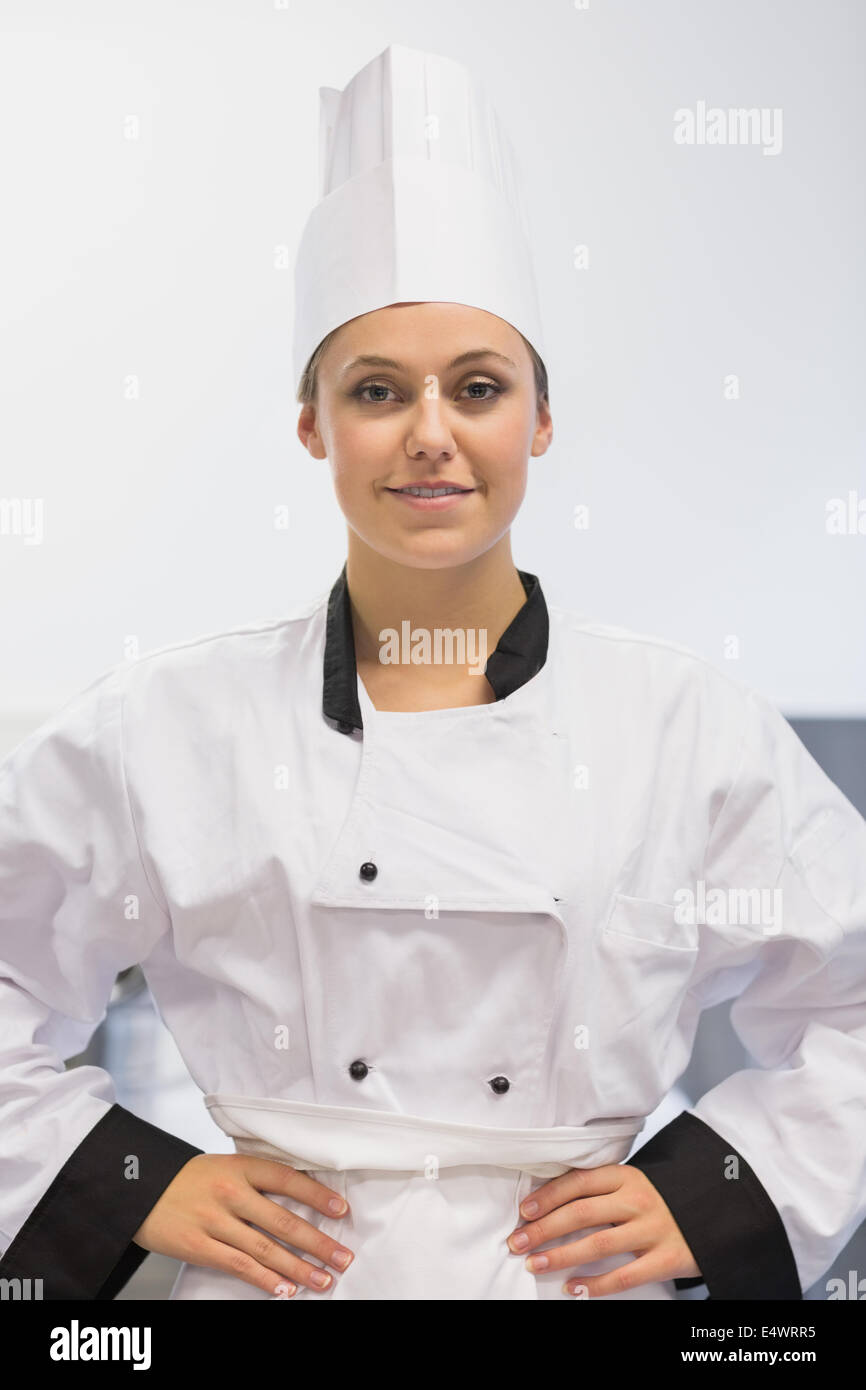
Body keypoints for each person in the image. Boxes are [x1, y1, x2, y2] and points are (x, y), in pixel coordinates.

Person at [1, 42, 864, 1302]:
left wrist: (716, 1193)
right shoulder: (164, 725)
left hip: (572, 1285)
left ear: (539, 422)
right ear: (313, 428)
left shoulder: (685, 727)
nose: (429, 434)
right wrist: (133, 1180)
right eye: (374, 390)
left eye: (476, 387)